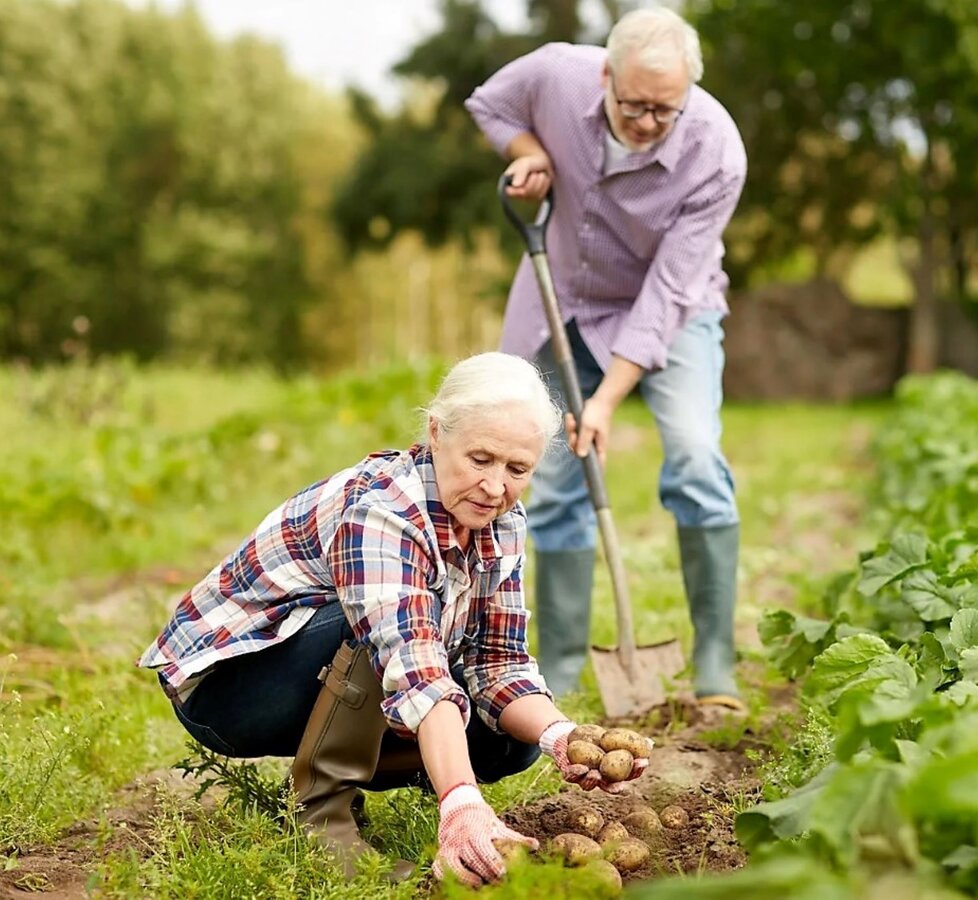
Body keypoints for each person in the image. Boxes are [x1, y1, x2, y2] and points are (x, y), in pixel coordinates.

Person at [138, 352, 647, 887]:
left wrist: (561, 736)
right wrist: (461, 802)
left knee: (512, 741)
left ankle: (368, 773)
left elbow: (498, 662)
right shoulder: (383, 510)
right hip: (229, 689)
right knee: (372, 630)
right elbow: (414, 665)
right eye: (480, 459)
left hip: (333, 675)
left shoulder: (502, 522)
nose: (496, 487)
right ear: (435, 433)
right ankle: (319, 817)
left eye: (517, 469)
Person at [466, 7, 747, 709]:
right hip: (566, 300)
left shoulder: (716, 151)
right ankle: (556, 666)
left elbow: (668, 292)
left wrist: (608, 398)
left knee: (693, 455)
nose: (649, 122)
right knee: (556, 475)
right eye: (634, 105)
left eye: (665, 109)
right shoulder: (558, 73)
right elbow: (491, 103)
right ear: (605, 76)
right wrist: (528, 152)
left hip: (672, 312)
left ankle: (713, 658)